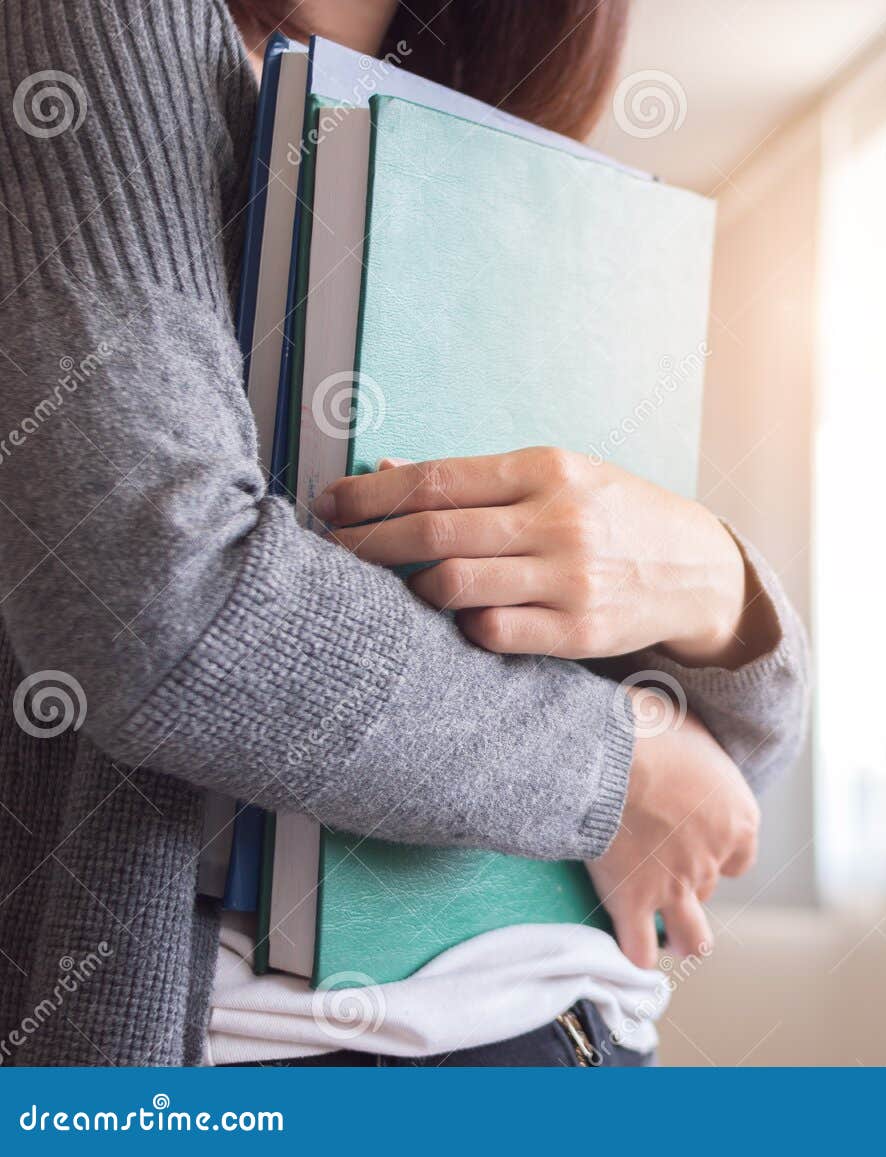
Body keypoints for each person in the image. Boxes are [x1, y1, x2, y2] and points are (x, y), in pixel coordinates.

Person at [0, 0, 808, 1067]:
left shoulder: (479, 148)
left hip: (593, 1026)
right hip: (277, 1056)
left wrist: (721, 588)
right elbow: (156, 600)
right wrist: (619, 764)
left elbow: (723, 797)